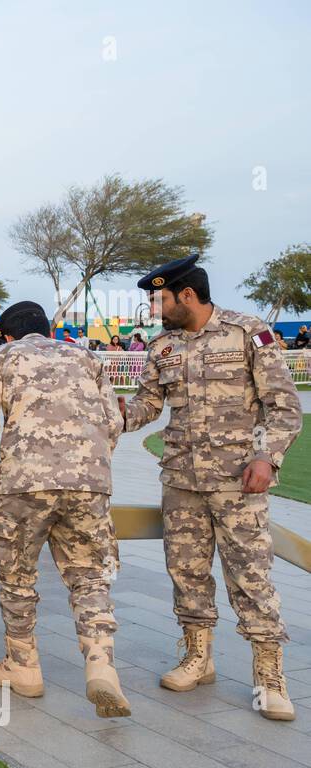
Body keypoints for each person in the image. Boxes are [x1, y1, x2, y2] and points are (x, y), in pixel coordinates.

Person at [122, 255, 302, 722]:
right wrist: (107, 416)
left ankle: (269, 677)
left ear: (186, 295)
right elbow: (146, 405)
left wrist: (267, 456)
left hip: (238, 481)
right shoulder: (161, 347)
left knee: (250, 576)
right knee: (186, 573)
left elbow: (283, 406)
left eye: (161, 299)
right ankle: (197, 657)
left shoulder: (247, 333)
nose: (156, 308)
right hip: (182, 480)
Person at [0, 300, 129, 717]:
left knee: (17, 574)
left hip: (23, 484)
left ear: (7, 334)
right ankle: (101, 666)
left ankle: (24, 667)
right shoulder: (87, 356)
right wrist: (90, 466)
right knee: (89, 577)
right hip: (90, 484)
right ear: (47, 330)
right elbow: (114, 422)